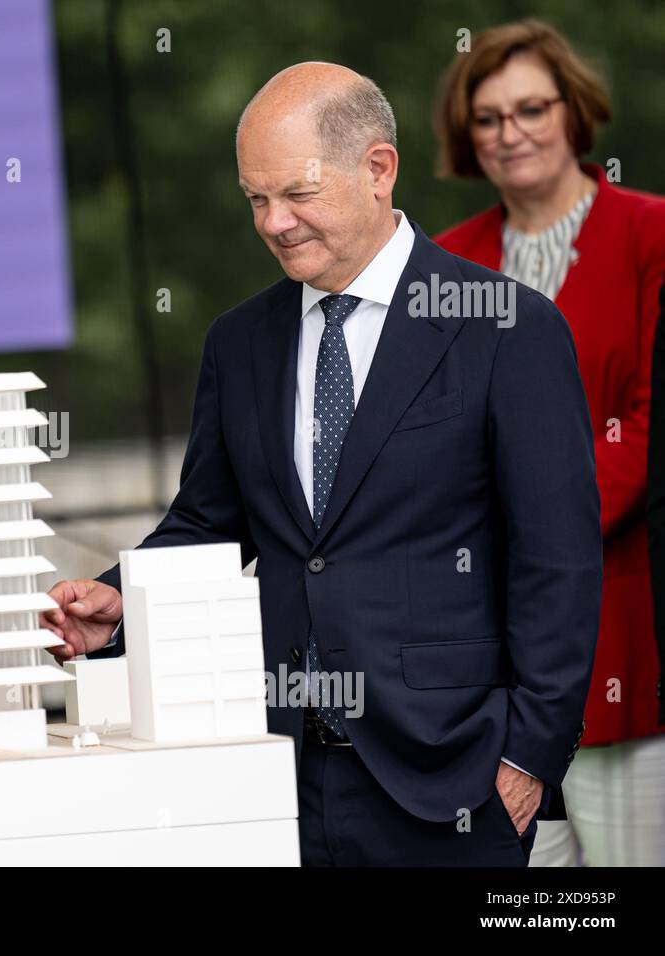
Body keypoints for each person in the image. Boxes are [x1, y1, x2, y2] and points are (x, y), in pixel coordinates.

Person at [40, 61, 601, 866]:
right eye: (255, 200)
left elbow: (558, 562)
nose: (275, 222)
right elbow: (208, 521)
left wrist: (528, 761)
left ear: (379, 169)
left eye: (297, 194)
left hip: (454, 778)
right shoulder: (239, 342)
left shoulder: (507, 328)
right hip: (279, 775)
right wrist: (120, 603)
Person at [433, 19, 665, 867]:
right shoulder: (444, 263)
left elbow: (649, 425)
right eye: (488, 117)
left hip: (620, 637)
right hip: (483, 667)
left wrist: (532, 528)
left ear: (573, 111)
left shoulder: (651, 235)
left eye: (531, 108)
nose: (511, 132)